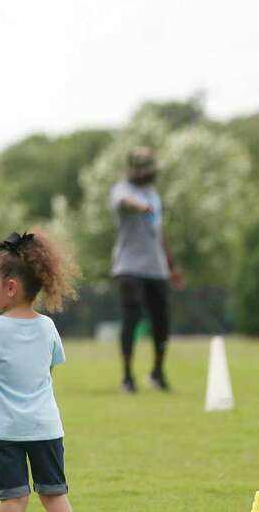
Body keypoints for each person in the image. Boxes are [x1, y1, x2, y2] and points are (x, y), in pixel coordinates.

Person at [0, 231, 80, 512]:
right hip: (46, 427)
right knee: (54, 495)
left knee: (13, 499)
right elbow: (47, 370)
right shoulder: (48, 327)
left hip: (5, 431)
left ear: (11, 287)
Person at [110, 146, 184, 393]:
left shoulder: (153, 193)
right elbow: (124, 202)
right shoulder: (122, 189)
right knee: (131, 319)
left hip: (157, 269)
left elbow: (158, 232)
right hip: (129, 266)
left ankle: (157, 373)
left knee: (162, 321)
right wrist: (140, 207)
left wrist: (171, 266)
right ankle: (127, 377)